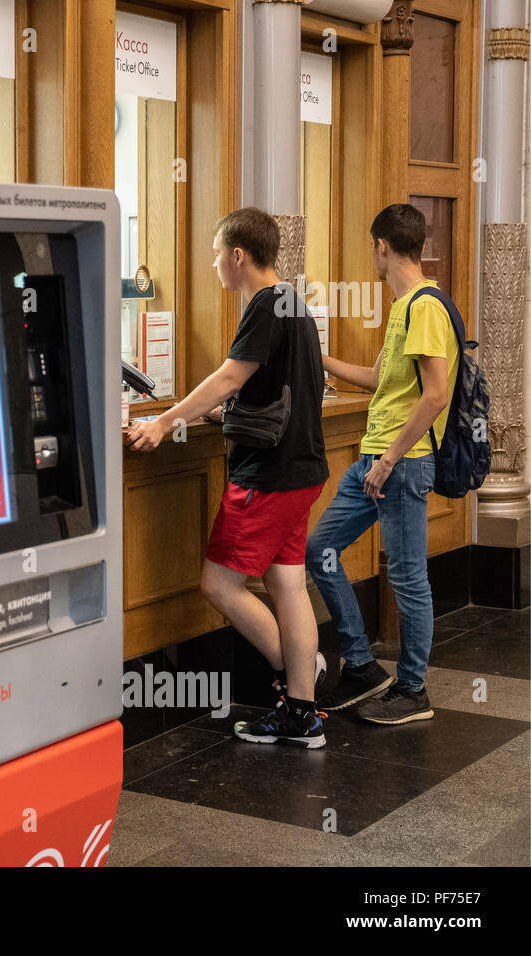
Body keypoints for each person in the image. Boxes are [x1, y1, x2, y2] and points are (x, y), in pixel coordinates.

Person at [128, 207, 329, 748]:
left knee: (218, 583)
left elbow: (230, 375)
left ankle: (299, 676)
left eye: (217, 254)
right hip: (302, 467)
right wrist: (226, 414)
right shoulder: (293, 301)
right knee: (287, 583)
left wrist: (167, 419)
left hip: (267, 476)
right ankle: (302, 709)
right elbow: (273, 391)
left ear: (238, 255)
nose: (215, 264)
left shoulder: (265, 304)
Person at [307, 203, 459, 725]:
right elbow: (379, 381)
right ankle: (363, 666)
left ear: (383, 247)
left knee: (408, 576)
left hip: (400, 462)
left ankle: (414, 690)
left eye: (372, 248)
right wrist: (319, 358)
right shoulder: (403, 307)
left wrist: (390, 458)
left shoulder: (426, 307)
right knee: (320, 548)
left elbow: (435, 395)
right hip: (377, 459)